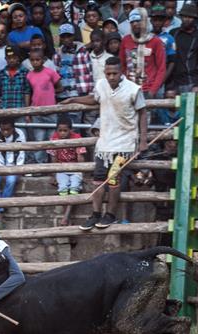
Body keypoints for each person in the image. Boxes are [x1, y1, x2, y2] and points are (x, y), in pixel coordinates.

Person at [62, 56, 147, 230]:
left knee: (113, 179)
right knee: (97, 180)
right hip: (105, 143)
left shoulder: (133, 89)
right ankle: (95, 214)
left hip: (125, 143)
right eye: (108, 73)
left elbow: (143, 113)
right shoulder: (101, 85)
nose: (111, 77)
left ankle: (111, 215)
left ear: (121, 71)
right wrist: (73, 99)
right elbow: (94, 98)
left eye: (115, 73)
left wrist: (143, 140)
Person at [0, 118, 26, 222]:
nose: (5, 132)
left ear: (13, 129)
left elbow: (21, 152)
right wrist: (2, 169)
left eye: (8, 130)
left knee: (11, 181)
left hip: (14, 166)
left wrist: (19, 169)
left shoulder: (19, 134)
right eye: (3, 129)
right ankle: (0, 211)